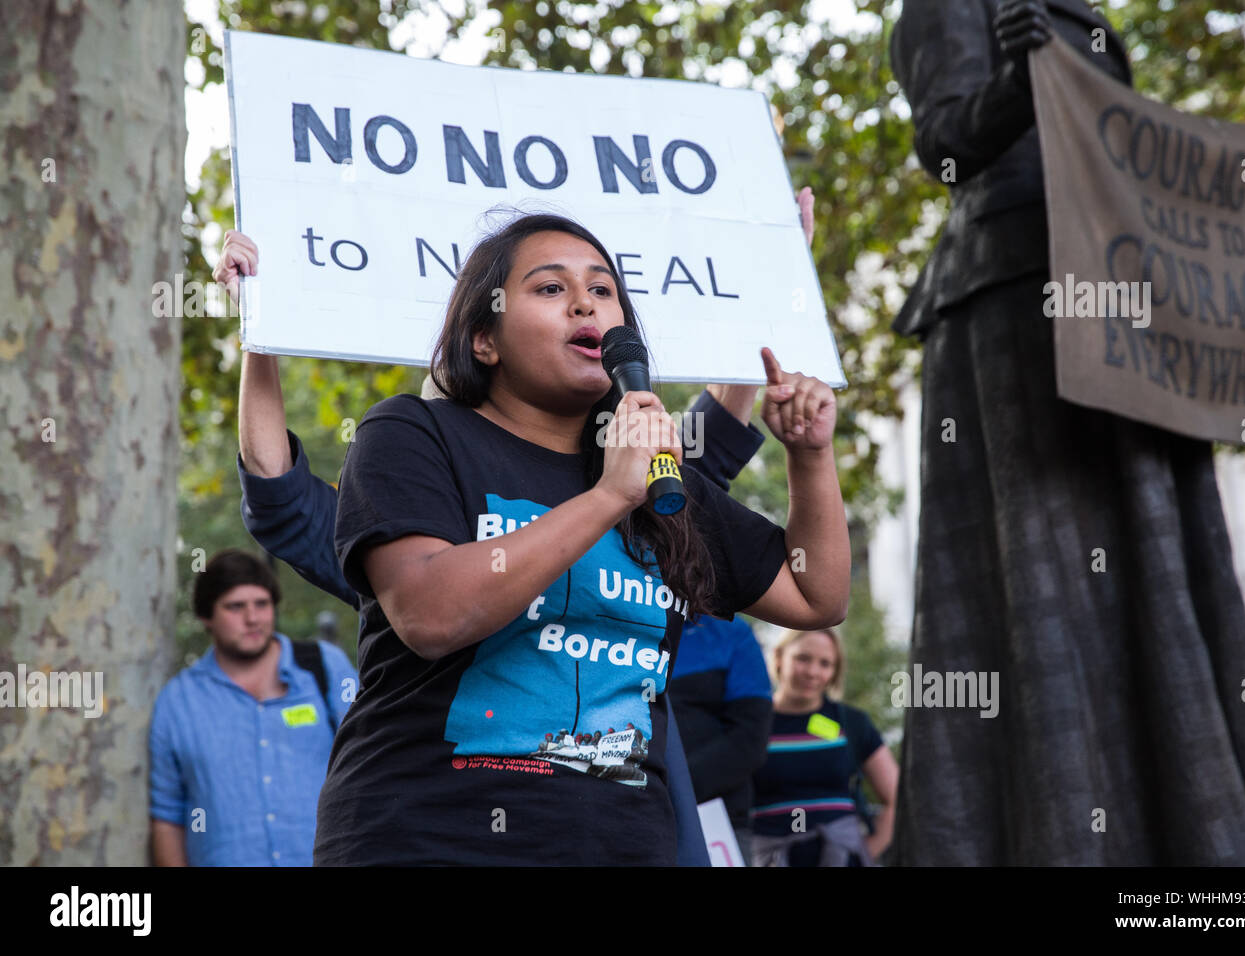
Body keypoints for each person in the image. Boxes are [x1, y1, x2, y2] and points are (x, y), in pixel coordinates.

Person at [216, 188, 818, 866]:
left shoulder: (636, 471)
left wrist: (771, 284)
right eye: (550, 288)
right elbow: (280, 493)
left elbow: (713, 450)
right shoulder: (406, 466)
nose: (586, 304)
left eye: (602, 288)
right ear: (482, 345)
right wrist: (259, 330)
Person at [888, 0, 1245, 864]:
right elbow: (946, 147)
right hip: (1017, 310)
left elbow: (1142, 166)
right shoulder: (950, 6)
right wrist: (1011, 83)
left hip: (1132, 323)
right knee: (1048, 586)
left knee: (1163, 582)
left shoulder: (1088, 17)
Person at [148, 549, 357, 866]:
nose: (253, 618)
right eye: (235, 607)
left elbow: (369, 765)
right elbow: (167, 815)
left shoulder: (325, 667)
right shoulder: (178, 702)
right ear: (206, 616)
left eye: (262, 604)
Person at [750, 627, 898, 866]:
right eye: (803, 658)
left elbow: (896, 798)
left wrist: (864, 852)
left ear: (835, 671)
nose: (812, 672)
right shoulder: (751, 723)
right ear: (779, 657)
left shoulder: (851, 723)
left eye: (825, 664)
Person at [672, 614, 774, 863]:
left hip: (714, 815)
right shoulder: (622, 623)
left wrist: (672, 789)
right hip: (633, 813)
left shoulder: (732, 632)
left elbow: (749, 741)